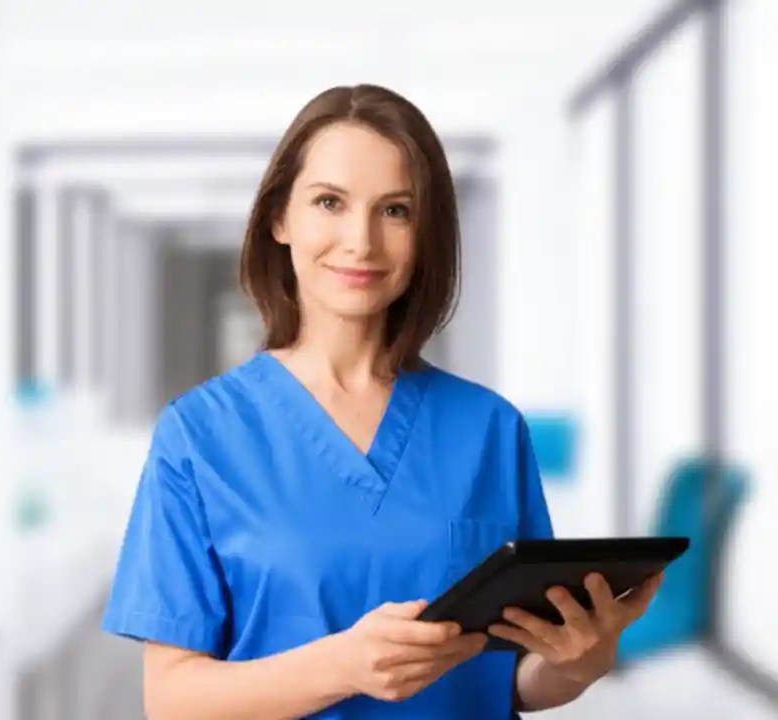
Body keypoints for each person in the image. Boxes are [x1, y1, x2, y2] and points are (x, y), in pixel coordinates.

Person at [99, 84, 663, 719]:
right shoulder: (200, 434)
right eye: (330, 202)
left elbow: (508, 678)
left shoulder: (489, 428)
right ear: (280, 219)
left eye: (395, 210)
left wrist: (577, 664)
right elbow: (172, 701)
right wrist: (342, 667)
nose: (361, 241)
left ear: (426, 234)